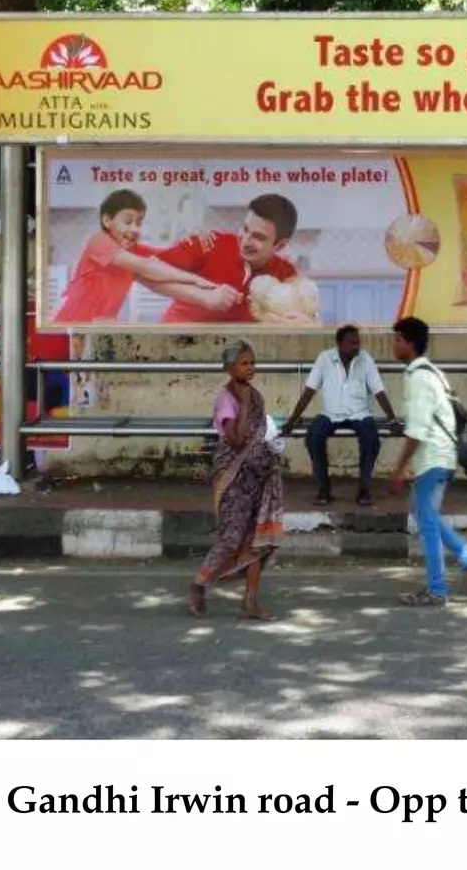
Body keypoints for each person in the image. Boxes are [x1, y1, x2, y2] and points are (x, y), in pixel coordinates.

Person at [390, 316, 467, 607]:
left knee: (427, 523)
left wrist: (398, 469)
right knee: (426, 517)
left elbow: (418, 430)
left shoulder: (419, 377)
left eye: (397, 339)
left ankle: (437, 589)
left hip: (432, 457)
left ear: (409, 343)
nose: (393, 344)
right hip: (440, 456)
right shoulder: (432, 372)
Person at [187, 341, 286, 621]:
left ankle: (251, 601)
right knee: (231, 538)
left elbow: (261, 433)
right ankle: (198, 585)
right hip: (234, 476)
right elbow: (237, 438)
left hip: (258, 475)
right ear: (230, 368)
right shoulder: (227, 398)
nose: (250, 368)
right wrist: (243, 404)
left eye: (252, 362)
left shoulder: (257, 396)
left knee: (255, 540)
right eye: (244, 363)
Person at [52, 188, 241, 323]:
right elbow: (147, 267)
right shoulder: (99, 242)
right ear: (107, 220)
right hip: (67, 329)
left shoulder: (133, 252)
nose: (134, 229)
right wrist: (198, 281)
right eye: (127, 222)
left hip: (97, 330)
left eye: (139, 223)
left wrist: (209, 294)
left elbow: (164, 278)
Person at [285, 325, 400, 509]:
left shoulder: (365, 359)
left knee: (371, 440)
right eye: (352, 343)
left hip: (360, 413)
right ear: (339, 343)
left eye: (358, 343)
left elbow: (378, 390)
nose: (356, 347)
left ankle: (364, 489)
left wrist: (392, 419)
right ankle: (324, 488)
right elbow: (309, 391)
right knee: (313, 437)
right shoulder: (324, 359)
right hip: (330, 414)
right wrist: (292, 420)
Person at [148, 194, 306, 324]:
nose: (245, 240)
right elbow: (148, 269)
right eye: (245, 228)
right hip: (180, 341)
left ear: (280, 245)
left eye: (258, 237)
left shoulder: (285, 274)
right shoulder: (210, 243)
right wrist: (203, 296)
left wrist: (301, 321)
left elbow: (297, 319)